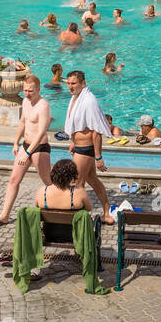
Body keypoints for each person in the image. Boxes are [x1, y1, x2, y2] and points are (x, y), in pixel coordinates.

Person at [0, 75, 54, 227]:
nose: (27, 94)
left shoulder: (43, 106)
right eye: (25, 90)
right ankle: (4, 215)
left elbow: (42, 132)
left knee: (47, 181)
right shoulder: (25, 101)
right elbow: (22, 123)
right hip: (26, 145)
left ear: (38, 89)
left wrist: (29, 153)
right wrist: (16, 143)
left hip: (39, 148)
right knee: (14, 180)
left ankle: (58, 209)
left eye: (31, 91)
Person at [61, 70, 115, 222]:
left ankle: (79, 217)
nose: (70, 87)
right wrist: (73, 142)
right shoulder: (76, 98)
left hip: (86, 150)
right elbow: (79, 125)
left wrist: (98, 157)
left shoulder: (89, 100)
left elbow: (96, 131)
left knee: (76, 183)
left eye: (74, 83)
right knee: (93, 180)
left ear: (83, 84)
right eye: (69, 83)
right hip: (79, 147)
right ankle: (106, 213)